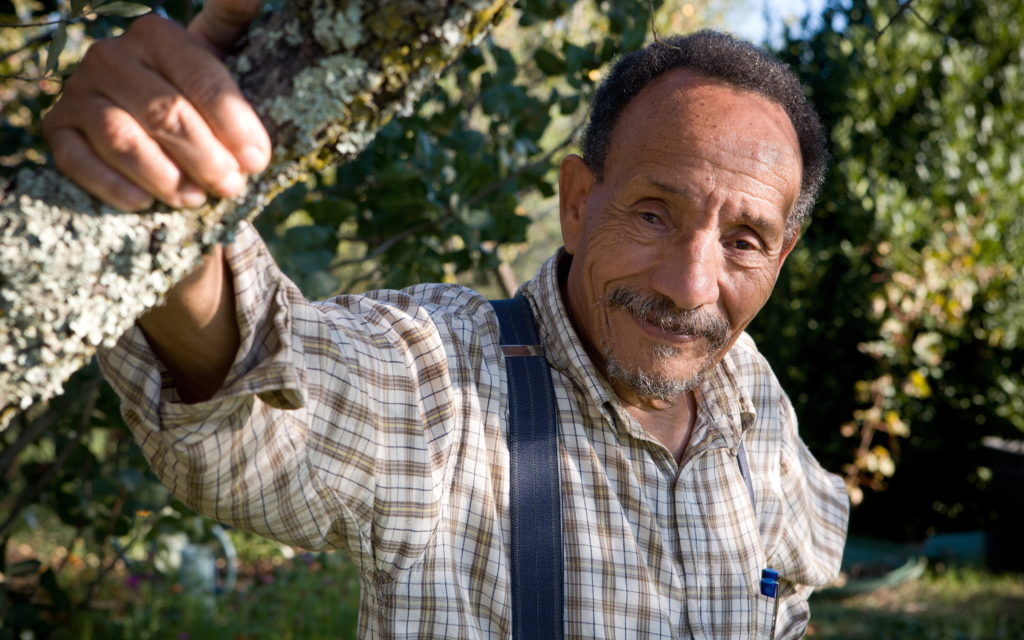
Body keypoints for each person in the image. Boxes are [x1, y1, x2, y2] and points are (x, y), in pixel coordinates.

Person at [43, 0, 849, 637]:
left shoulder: (754, 401)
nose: (690, 286)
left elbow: (798, 574)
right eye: (652, 215)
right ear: (577, 203)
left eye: (744, 241)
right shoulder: (443, 383)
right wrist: (169, 206)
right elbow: (265, 401)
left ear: (781, 258)